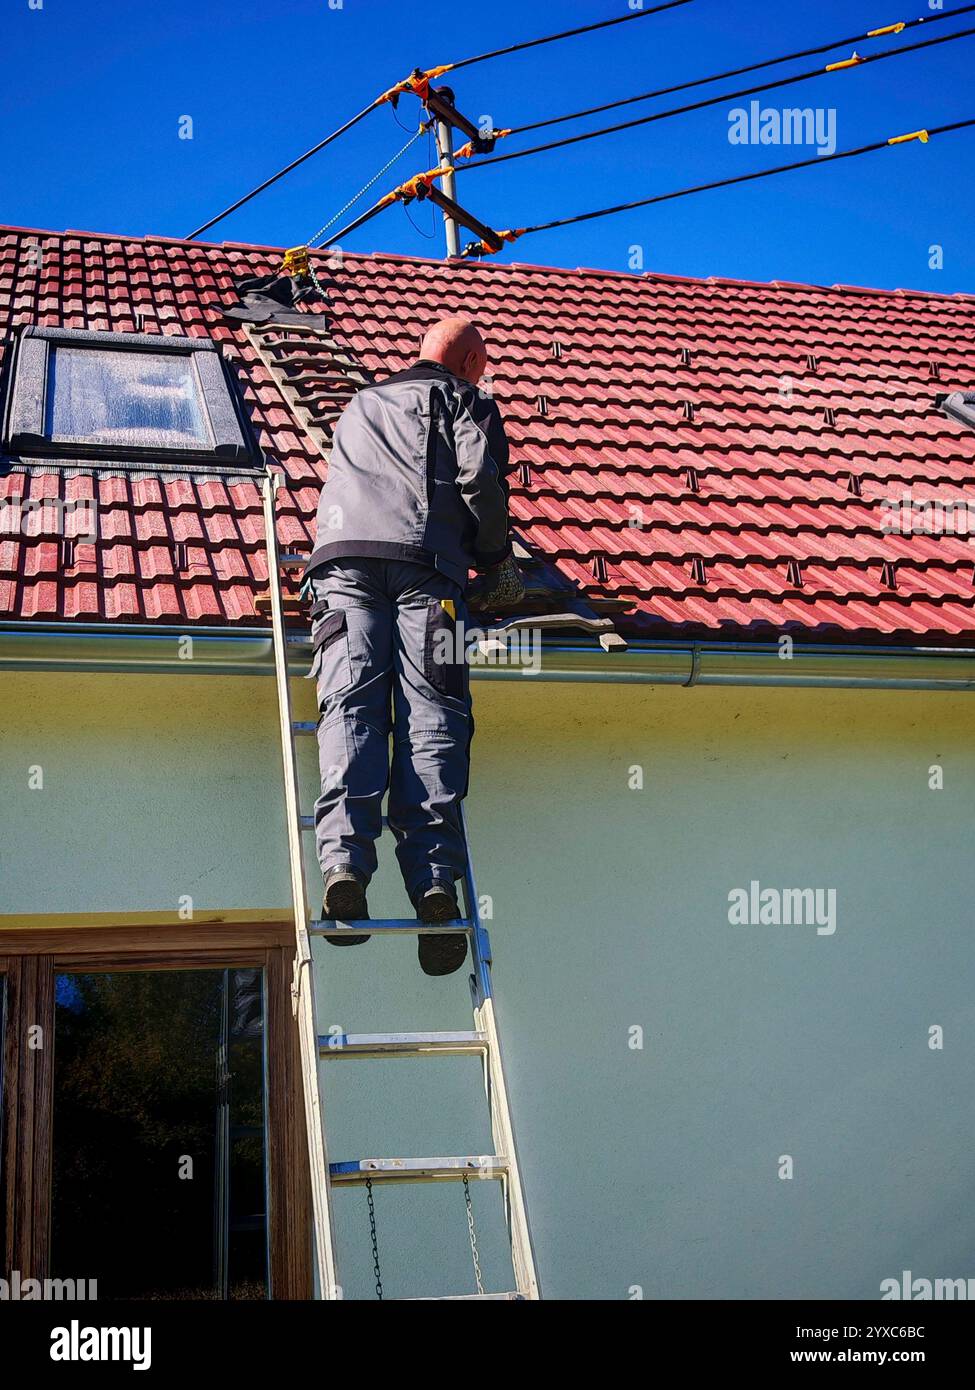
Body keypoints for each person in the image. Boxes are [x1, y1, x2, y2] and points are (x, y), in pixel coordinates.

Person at [303, 317, 524, 975]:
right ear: (471, 360)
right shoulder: (467, 399)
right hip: (429, 569)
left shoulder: (361, 402)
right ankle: (432, 881)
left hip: (341, 566)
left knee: (349, 707)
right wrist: (496, 559)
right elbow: (479, 477)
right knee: (433, 715)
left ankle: (343, 864)